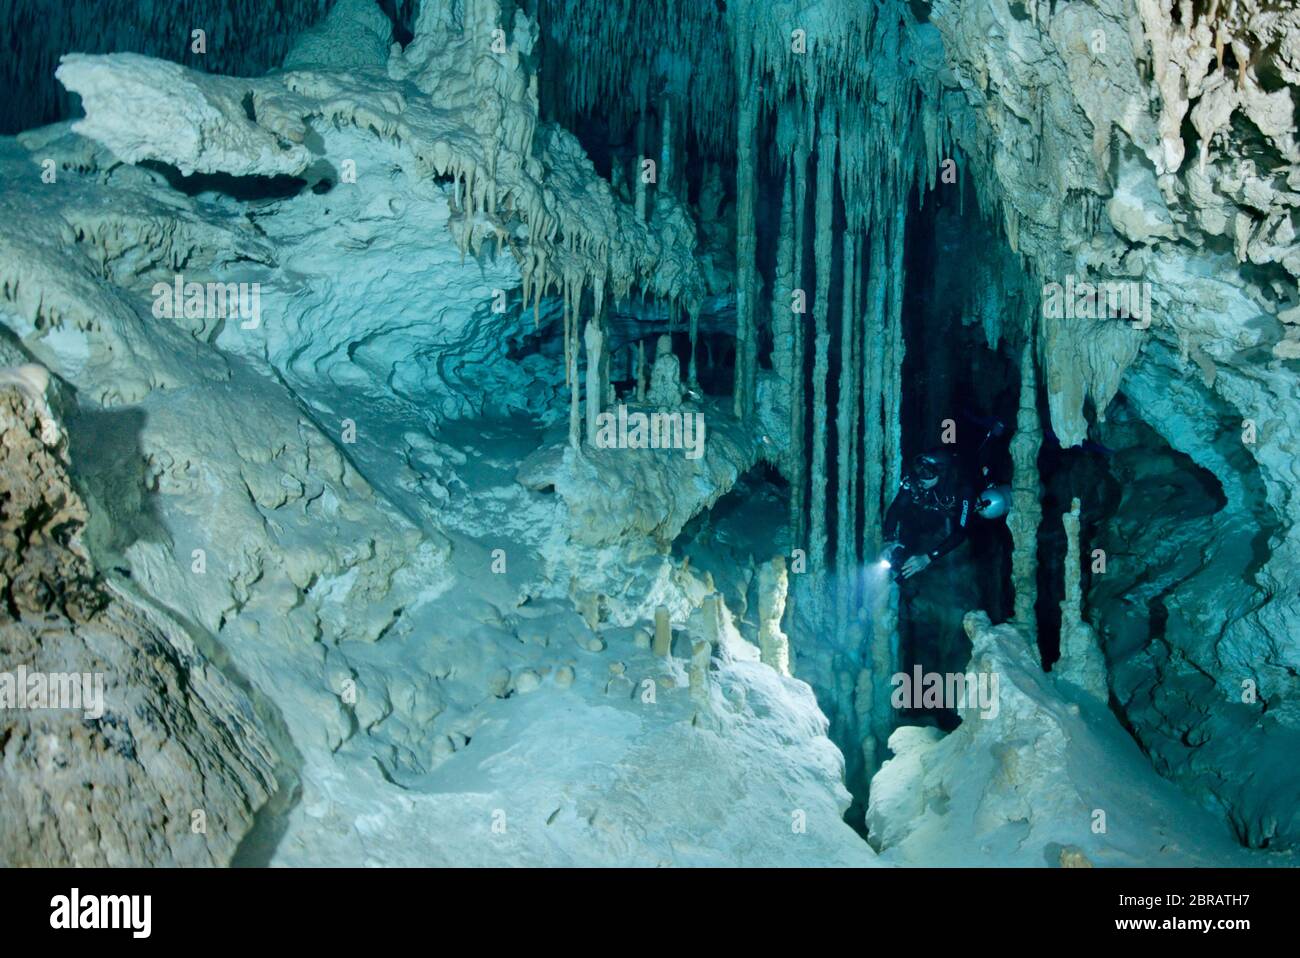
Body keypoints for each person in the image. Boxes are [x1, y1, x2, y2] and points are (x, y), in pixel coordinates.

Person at [880, 449, 974, 579]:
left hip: (957, 513)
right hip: (932, 512)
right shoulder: (916, 480)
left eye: (928, 472)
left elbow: (961, 532)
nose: (921, 476)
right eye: (920, 469)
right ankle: (900, 568)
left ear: (942, 473)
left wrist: (928, 557)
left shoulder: (963, 490)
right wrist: (889, 540)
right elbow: (897, 507)